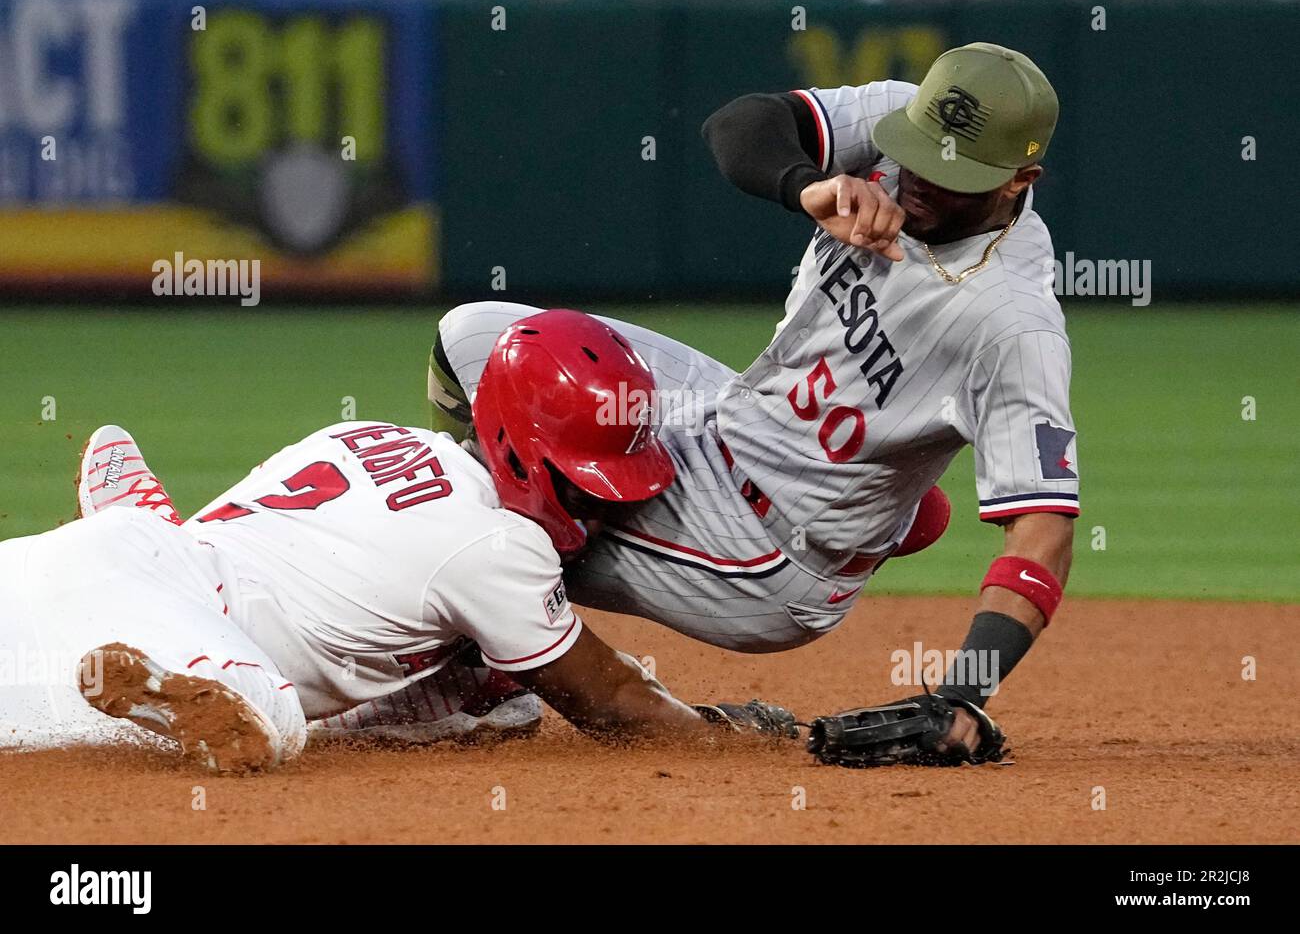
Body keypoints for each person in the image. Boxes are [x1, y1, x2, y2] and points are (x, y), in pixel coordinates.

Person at [428, 43, 1078, 758]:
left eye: (950, 175)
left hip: (767, 550)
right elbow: (739, 125)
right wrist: (806, 185)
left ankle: (486, 672)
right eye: (917, 152)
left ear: (1020, 180)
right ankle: (499, 620)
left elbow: (1043, 532)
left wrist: (961, 699)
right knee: (480, 340)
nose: (917, 177)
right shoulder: (909, 123)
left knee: (467, 513)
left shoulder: (1012, 322)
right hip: (730, 412)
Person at [0, 310, 795, 772]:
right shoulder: (497, 548)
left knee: (490, 689)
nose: (596, 512)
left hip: (126, 556)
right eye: (587, 486)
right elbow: (611, 699)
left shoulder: (366, 434)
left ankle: (132, 521)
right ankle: (160, 684)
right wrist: (732, 737)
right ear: (516, 448)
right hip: (170, 635)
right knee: (264, 726)